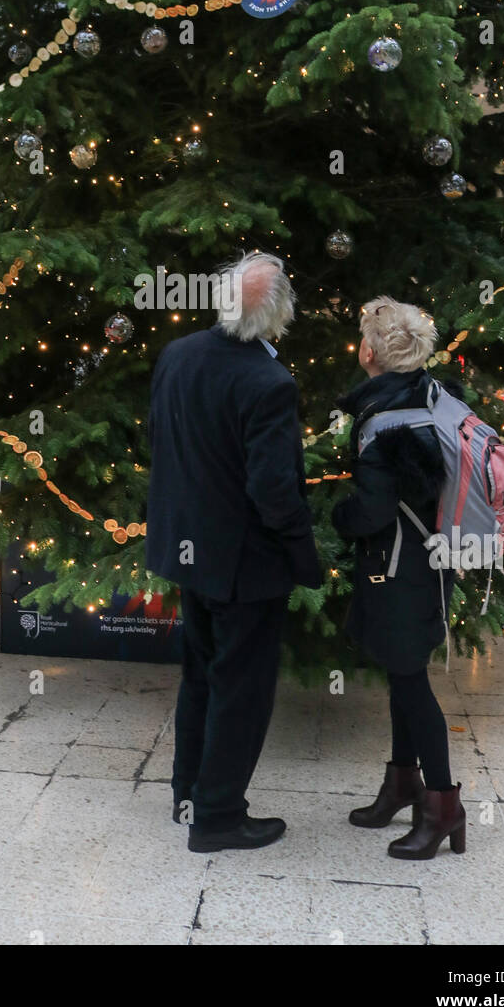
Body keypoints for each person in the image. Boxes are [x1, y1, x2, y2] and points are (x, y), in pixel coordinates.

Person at [146, 252, 322, 853]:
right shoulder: (268, 382)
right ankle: (218, 818)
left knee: (200, 677)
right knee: (241, 689)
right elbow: (273, 491)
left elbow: (162, 443)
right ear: (278, 313)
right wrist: (303, 553)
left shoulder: (177, 355)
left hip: (188, 551)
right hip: (245, 563)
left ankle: (189, 796)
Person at [332, 296, 466, 860]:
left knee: (410, 682)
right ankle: (402, 783)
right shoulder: (434, 396)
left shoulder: (382, 418)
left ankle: (442, 805)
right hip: (434, 560)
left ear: (370, 351)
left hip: (398, 568)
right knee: (403, 669)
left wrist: (338, 516)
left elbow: (373, 511)